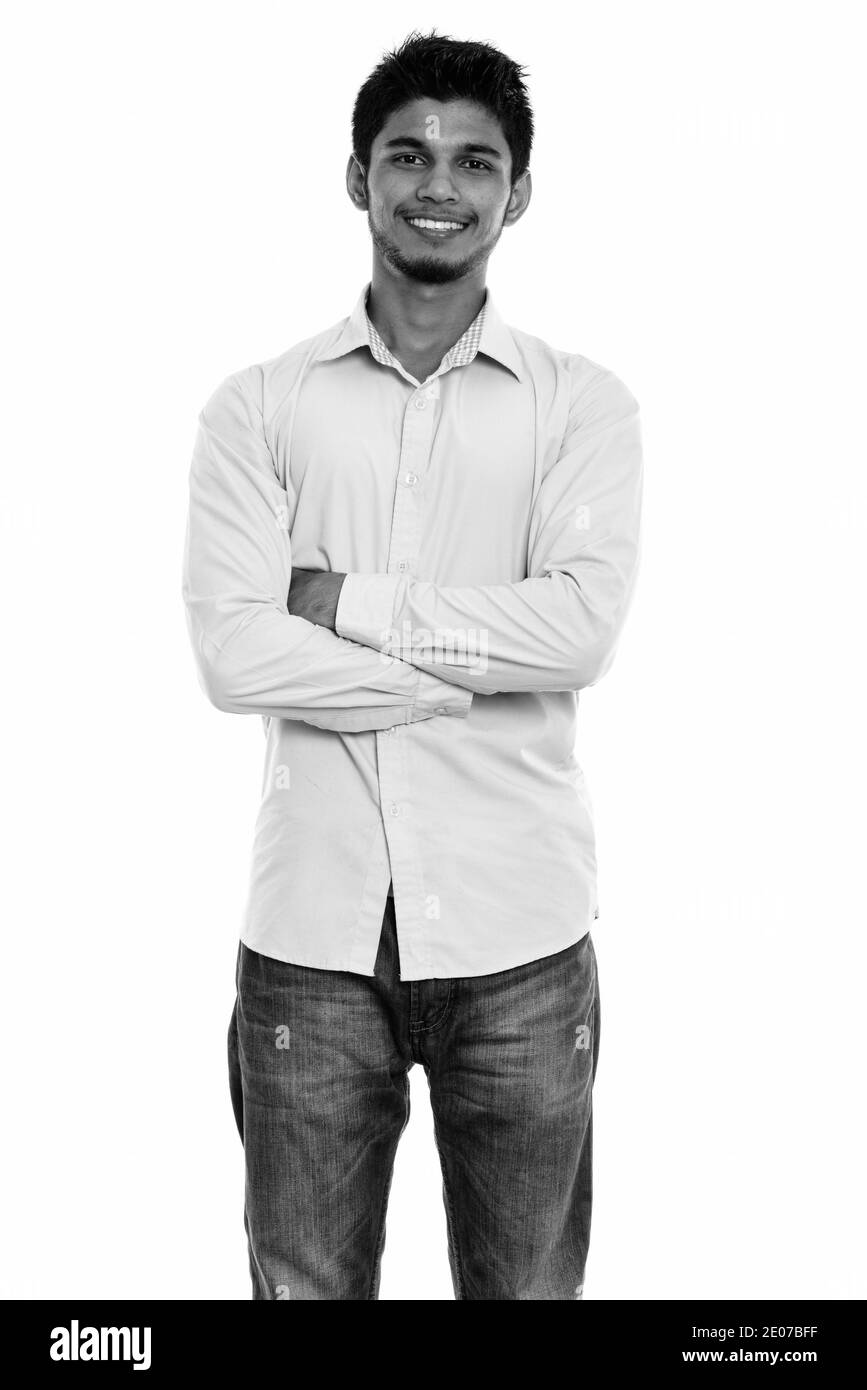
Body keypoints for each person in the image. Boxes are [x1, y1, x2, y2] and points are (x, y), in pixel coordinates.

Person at [182, 29, 643, 1301]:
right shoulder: (259, 405)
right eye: (408, 155)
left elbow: (579, 633)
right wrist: (454, 673)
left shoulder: (580, 406)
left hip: (523, 933)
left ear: (517, 193)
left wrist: (343, 604)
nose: (438, 183)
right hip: (314, 939)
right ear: (358, 178)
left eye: (473, 160)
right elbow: (232, 650)